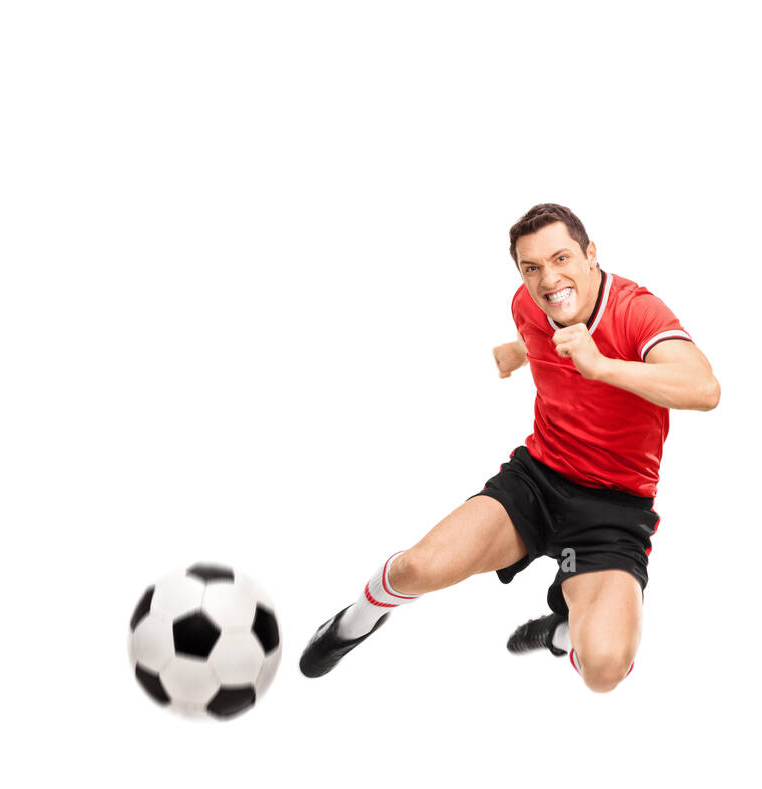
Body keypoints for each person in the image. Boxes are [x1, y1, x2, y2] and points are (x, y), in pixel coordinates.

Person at [300, 203, 720, 693]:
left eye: (561, 259)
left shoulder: (636, 310)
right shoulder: (527, 304)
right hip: (537, 480)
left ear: (591, 255)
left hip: (612, 510)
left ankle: (562, 631)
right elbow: (543, 329)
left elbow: (705, 389)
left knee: (603, 670)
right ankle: (354, 623)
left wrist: (602, 366)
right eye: (532, 267)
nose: (548, 279)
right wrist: (519, 351)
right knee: (416, 567)